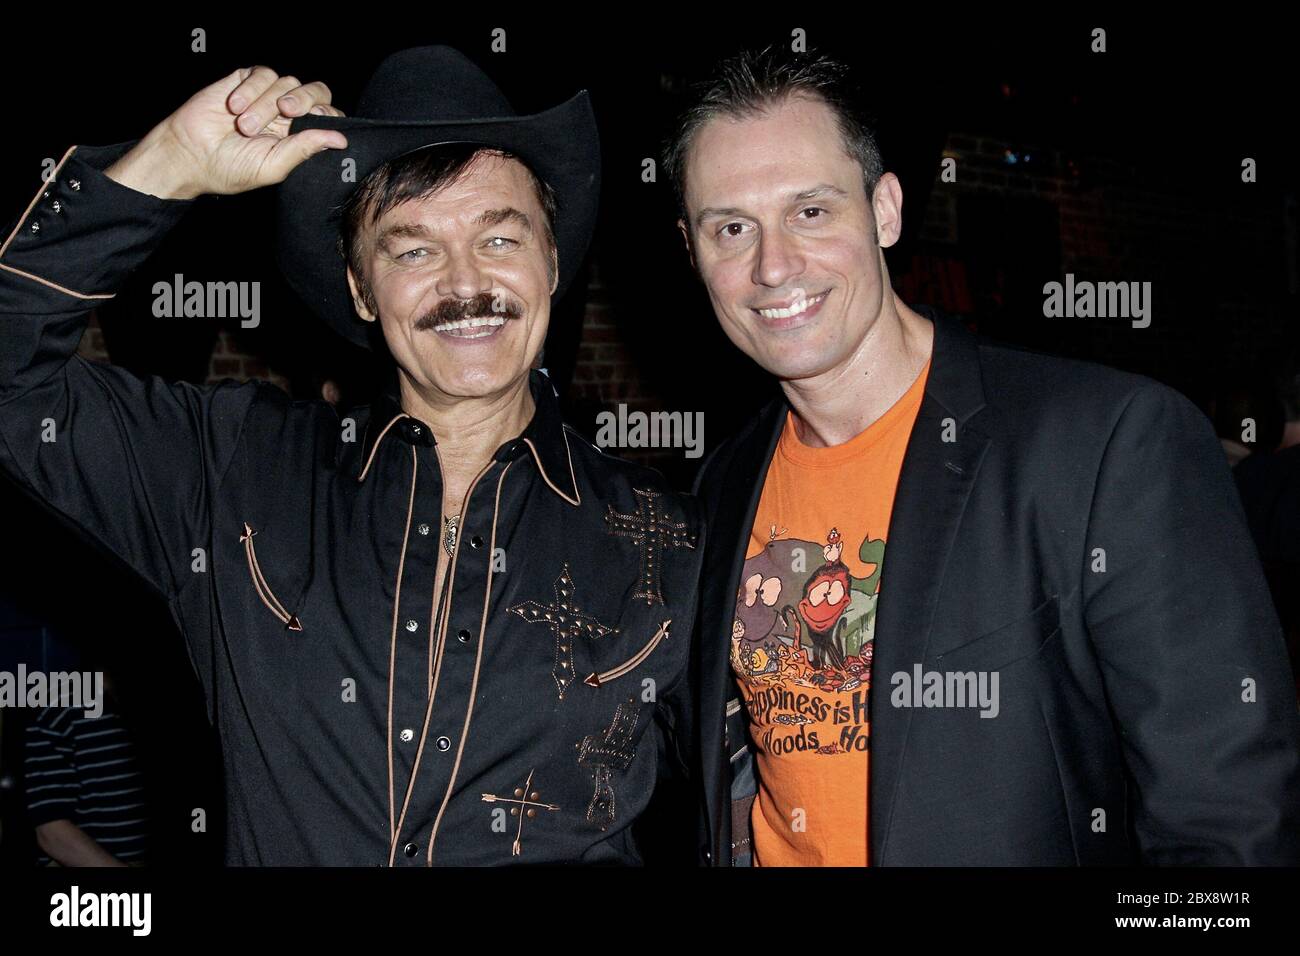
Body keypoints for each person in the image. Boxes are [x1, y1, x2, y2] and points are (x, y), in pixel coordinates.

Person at [0, 46, 702, 865]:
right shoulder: (232, 467)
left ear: (551, 263)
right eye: (413, 249)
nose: (464, 282)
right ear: (363, 289)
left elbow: (751, 795)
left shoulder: (672, 540)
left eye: (501, 238)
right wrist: (168, 165)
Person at [666, 47, 1300, 866]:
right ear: (691, 251)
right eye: (731, 228)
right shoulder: (721, 483)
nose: (773, 264)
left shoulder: (1109, 443)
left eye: (812, 211)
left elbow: (1231, 827)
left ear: (885, 210)